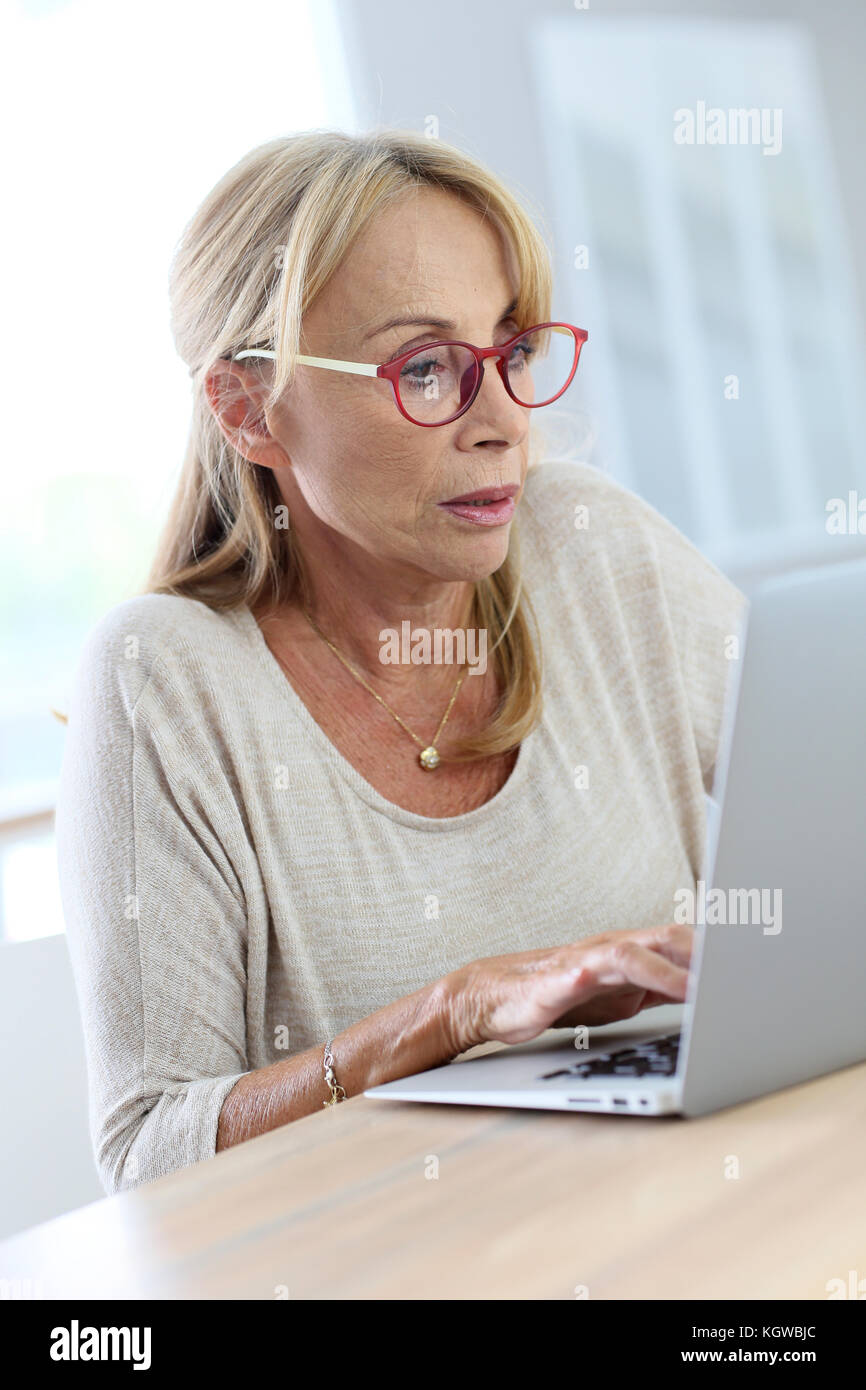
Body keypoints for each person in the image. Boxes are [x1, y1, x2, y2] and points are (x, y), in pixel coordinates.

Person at [55, 129, 745, 1194]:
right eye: (425, 367)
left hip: (681, 1208)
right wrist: (450, 1012)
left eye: (512, 352)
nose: (505, 421)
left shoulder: (593, 549)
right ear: (247, 407)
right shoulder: (164, 679)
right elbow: (150, 1152)